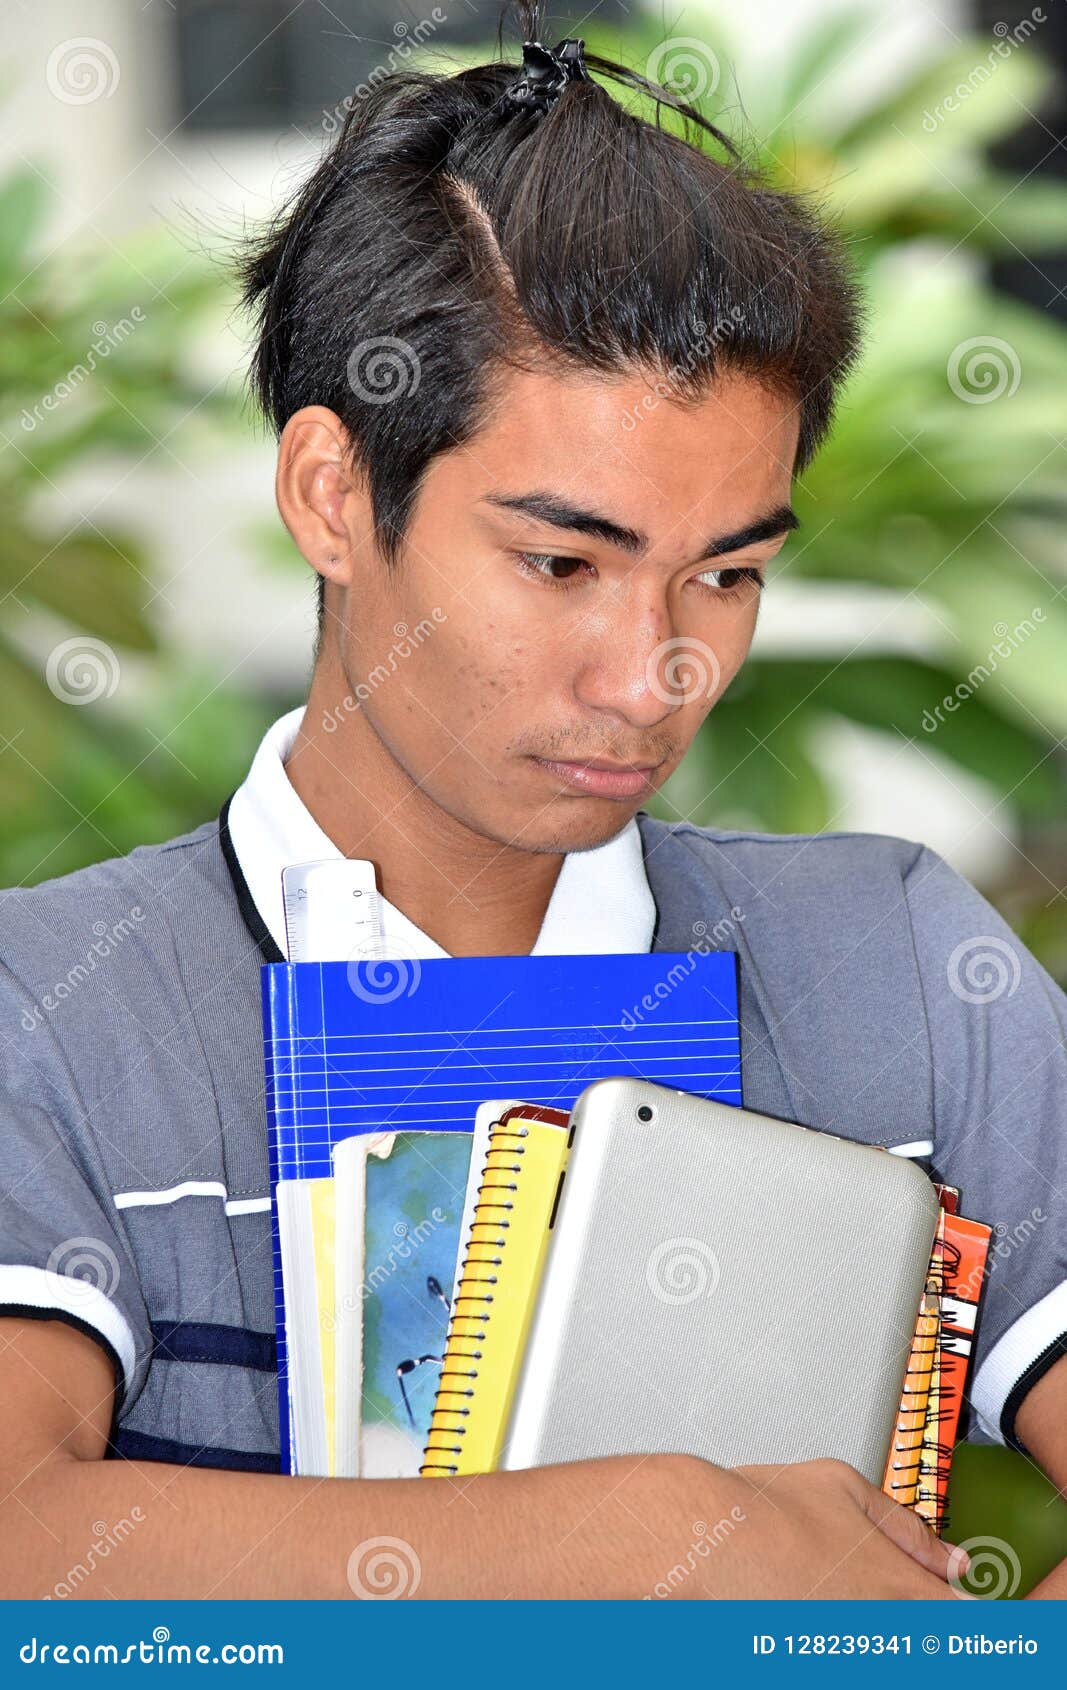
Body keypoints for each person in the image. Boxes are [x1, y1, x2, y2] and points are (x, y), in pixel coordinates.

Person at [0, 9, 1064, 1600]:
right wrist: (638, 1537)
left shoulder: (900, 966)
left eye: (728, 575)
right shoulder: (55, 1010)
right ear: (333, 492)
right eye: (563, 563)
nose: (656, 674)